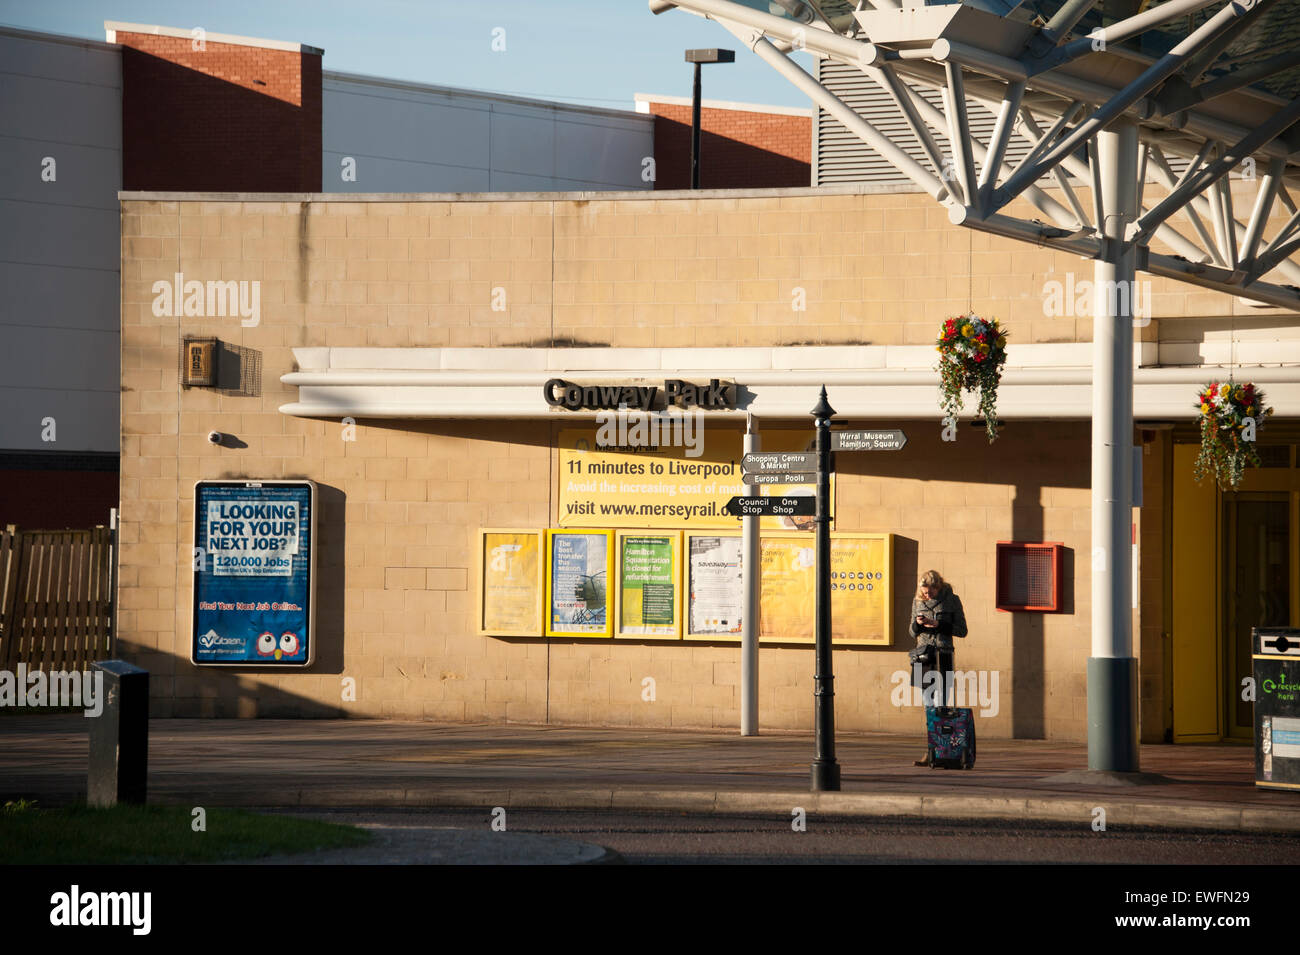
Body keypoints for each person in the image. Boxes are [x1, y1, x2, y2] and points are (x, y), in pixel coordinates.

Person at [909, 569, 967, 766]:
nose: (927, 595)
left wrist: (938, 624)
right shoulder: (917, 602)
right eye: (924, 591)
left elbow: (962, 630)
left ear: (938, 586)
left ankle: (945, 750)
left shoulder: (952, 600)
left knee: (942, 705)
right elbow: (911, 631)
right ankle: (931, 751)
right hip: (924, 657)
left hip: (943, 656)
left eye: (930, 591)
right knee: (928, 706)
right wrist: (918, 624)